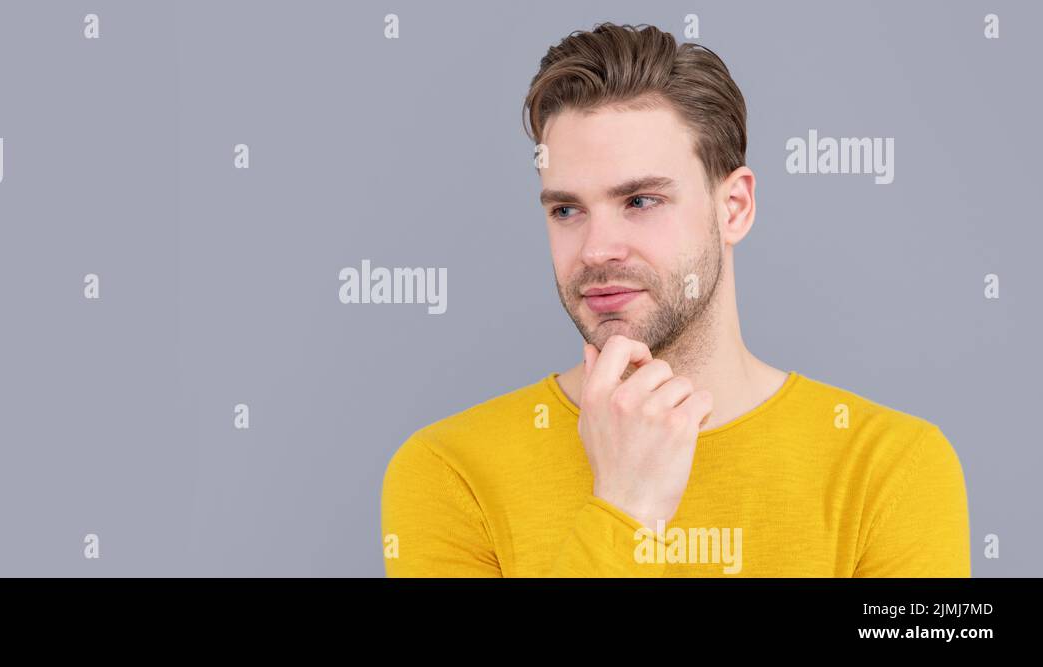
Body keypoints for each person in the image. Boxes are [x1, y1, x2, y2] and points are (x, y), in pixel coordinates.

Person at [381, 22, 970, 577]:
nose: (595, 249)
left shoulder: (893, 467)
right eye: (566, 210)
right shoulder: (450, 470)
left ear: (733, 207)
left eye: (640, 200)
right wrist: (627, 507)